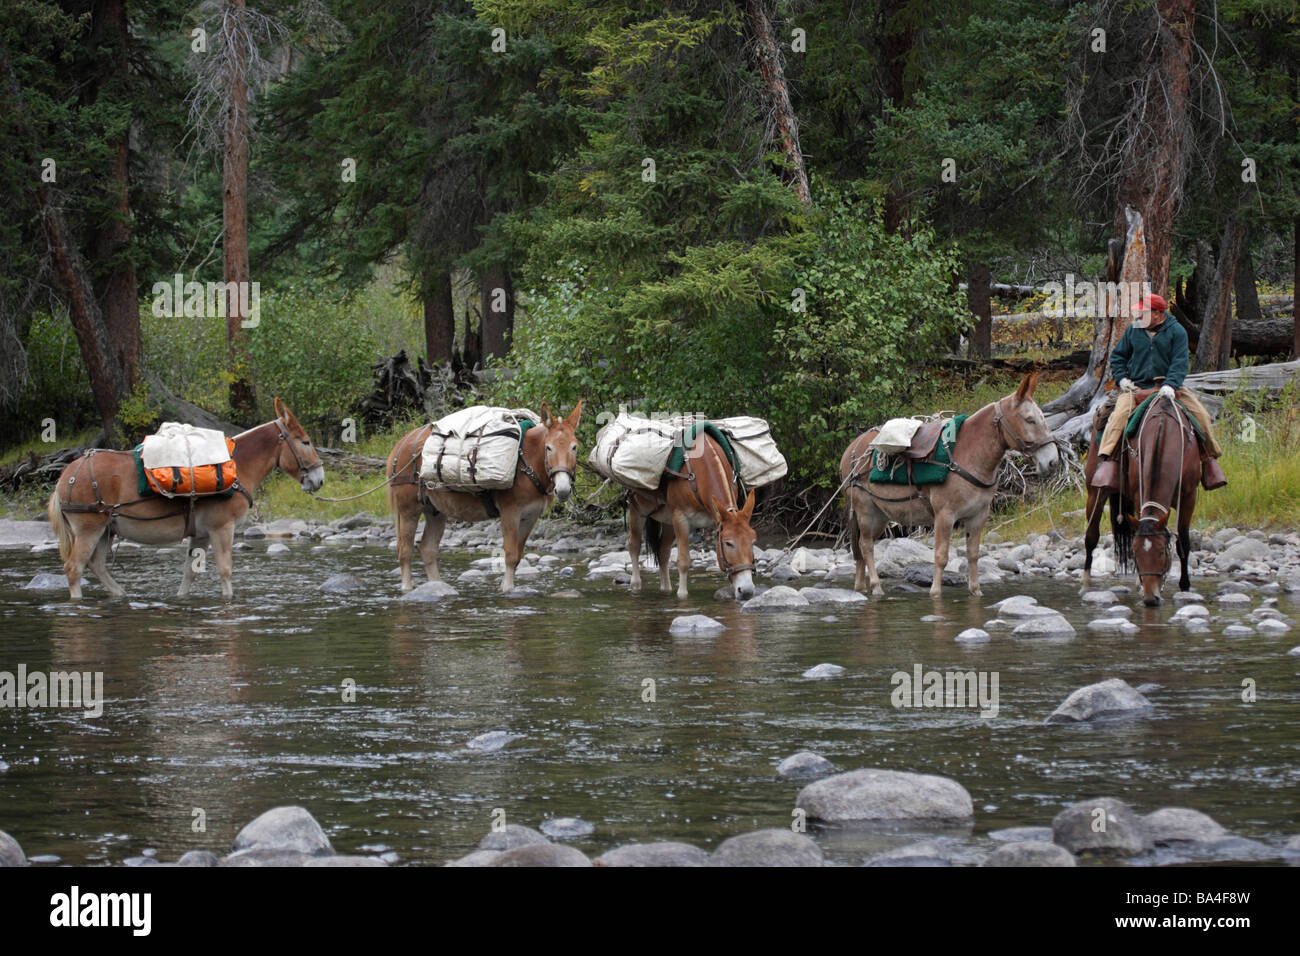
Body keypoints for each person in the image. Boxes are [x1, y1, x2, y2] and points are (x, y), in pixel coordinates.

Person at [1091, 292, 1227, 491]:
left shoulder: (1177, 332)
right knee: (1118, 416)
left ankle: (1209, 460)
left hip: (1171, 387)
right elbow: (1118, 357)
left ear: (1158, 313)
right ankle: (1109, 461)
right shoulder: (1133, 330)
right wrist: (1122, 379)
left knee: (1201, 416)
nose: (1139, 316)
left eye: (1143, 312)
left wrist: (1170, 385)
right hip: (1136, 387)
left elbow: (1180, 363)